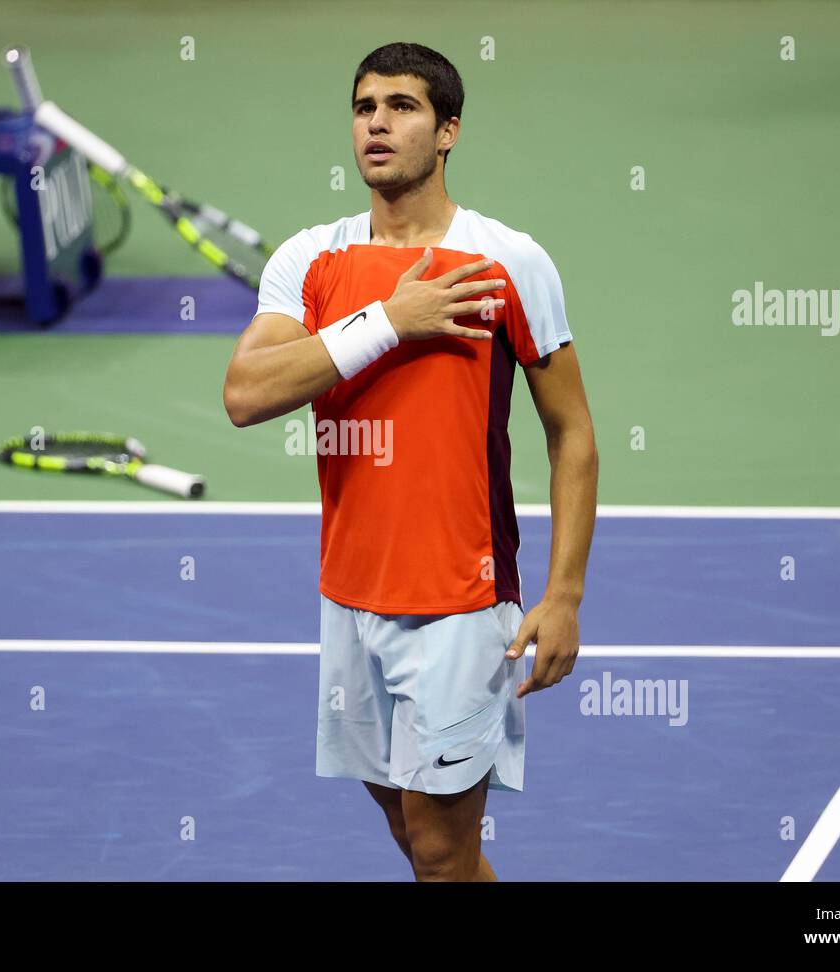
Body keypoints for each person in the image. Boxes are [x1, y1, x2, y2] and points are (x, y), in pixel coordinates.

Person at [222, 41, 598, 881]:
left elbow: (571, 430)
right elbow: (246, 394)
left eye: (402, 107)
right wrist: (392, 319)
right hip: (349, 592)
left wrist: (564, 596)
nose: (378, 125)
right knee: (409, 827)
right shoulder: (311, 258)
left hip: (461, 599)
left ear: (449, 131)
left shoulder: (508, 260)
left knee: (438, 845)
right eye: (364, 109)